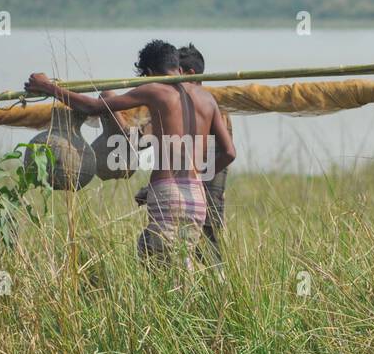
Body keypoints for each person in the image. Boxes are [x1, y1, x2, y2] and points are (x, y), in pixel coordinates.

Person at [25, 39, 236, 265]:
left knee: (157, 264)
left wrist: (48, 87)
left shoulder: (156, 89)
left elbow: (93, 107)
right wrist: (197, 176)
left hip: (167, 195)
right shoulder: (207, 99)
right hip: (196, 198)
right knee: (182, 268)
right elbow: (229, 153)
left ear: (150, 72)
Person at [176, 43, 231, 264]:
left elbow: (227, 153)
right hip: (186, 191)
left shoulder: (208, 105)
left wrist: (198, 177)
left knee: (208, 247)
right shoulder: (183, 103)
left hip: (206, 193)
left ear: (189, 74)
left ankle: (219, 292)